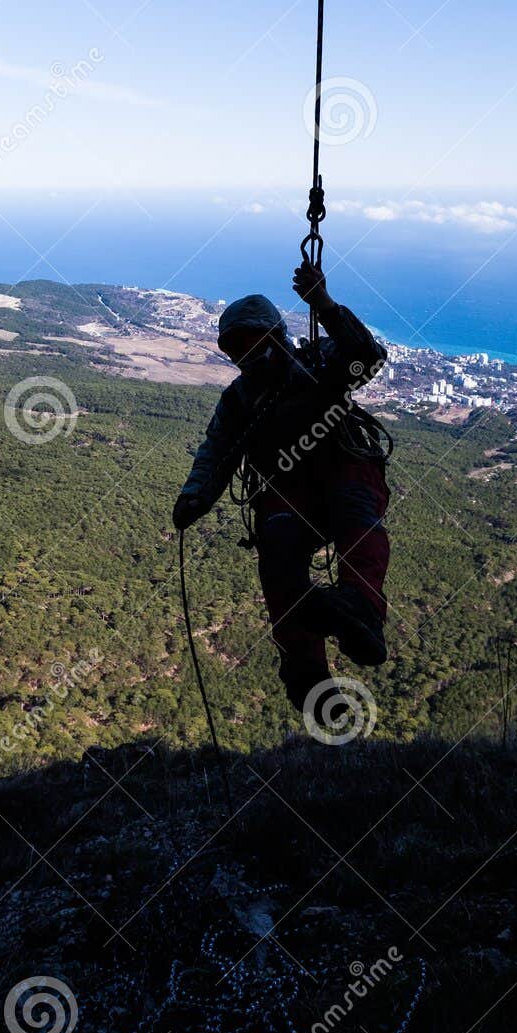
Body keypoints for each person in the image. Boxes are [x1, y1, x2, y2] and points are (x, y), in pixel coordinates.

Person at [172, 261, 392, 720]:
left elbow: (366, 357)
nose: (248, 355)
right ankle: (308, 672)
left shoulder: (320, 359)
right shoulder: (239, 399)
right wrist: (195, 497)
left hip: (342, 468)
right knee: (278, 557)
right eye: (238, 349)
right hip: (288, 489)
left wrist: (325, 305)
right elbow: (217, 452)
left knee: (354, 511)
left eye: (252, 342)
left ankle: (361, 611)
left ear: (274, 334)